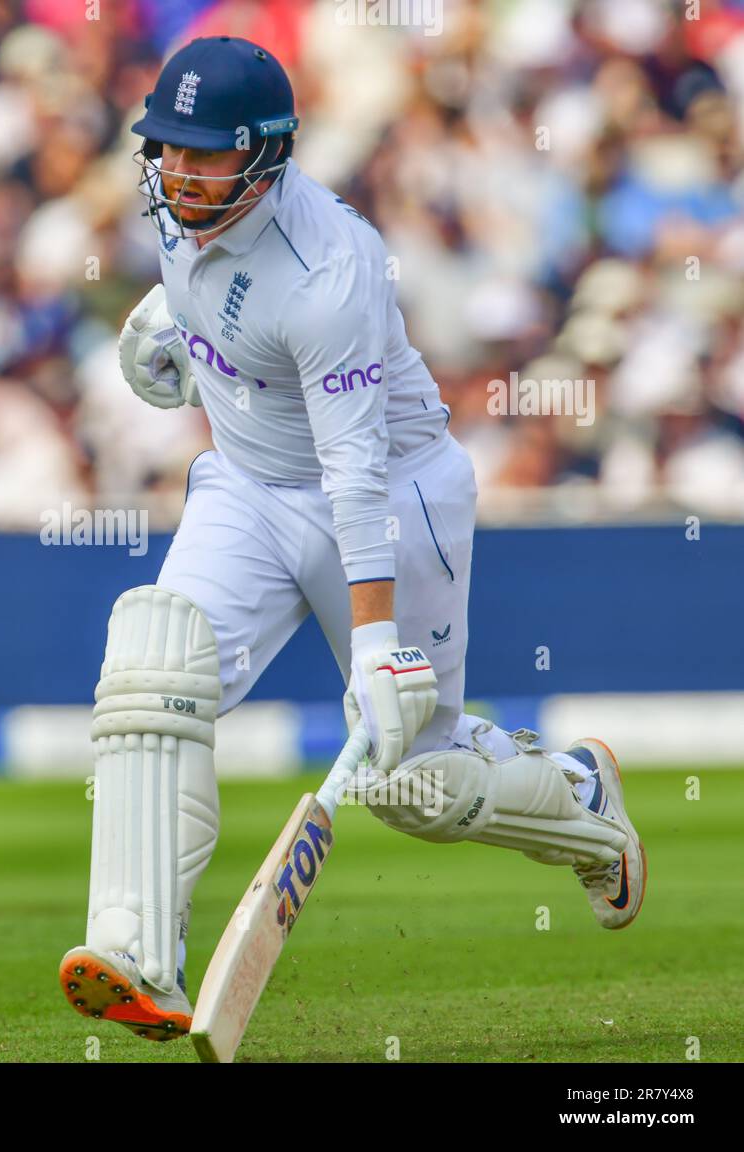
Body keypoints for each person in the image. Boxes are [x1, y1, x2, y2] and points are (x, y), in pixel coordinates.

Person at [58, 36, 646, 1043]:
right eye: (168, 149)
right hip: (244, 486)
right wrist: (171, 329)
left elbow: (354, 470)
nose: (181, 174)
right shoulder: (186, 206)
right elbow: (212, 288)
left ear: (267, 155)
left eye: (207, 156)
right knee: (152, 665)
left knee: (413, 783)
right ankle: (135, 953)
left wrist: (376, 643)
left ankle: (585, 804)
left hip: (387, 496)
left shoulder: (330, 268)